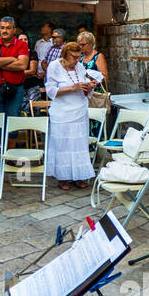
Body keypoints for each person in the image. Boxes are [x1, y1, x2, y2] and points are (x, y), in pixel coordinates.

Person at [44, 32, 103, 187]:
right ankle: (63, 177)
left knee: (78, 144)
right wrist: (72, 87)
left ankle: (79, 176)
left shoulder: (79, 66)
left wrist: (89, 86)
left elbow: (84, 87)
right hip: (62, 113)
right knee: (63, 145)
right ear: (65, 55)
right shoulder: (54, 66)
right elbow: (51, 91)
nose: (77, 60)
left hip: (79, 111)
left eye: (79, 57)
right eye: (74, 57)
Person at [0, 19, 33, 117]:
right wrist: (12, 59)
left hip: (16, 88)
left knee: (12, 121)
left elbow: (22, 65)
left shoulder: (22, 44)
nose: (5, 30)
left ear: (14, 30)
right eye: (2, 28)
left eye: (8, 28)